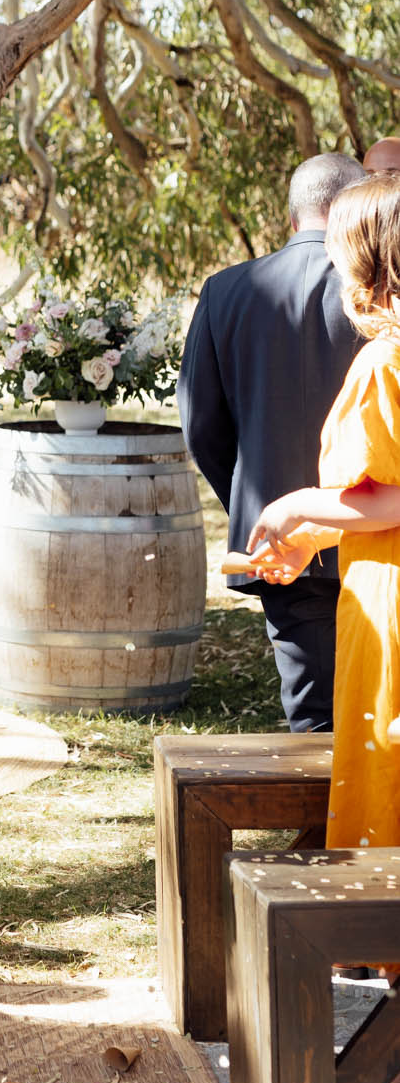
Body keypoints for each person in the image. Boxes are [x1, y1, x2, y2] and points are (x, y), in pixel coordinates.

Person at [248, 174, 400, 958]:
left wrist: (292, 509)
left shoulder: (384, 361)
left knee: (388, 771)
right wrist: (312, 538)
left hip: (391, 606)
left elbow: (390, 501)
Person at [177, 152, 366, 732]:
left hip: (279, 539)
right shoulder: (381, 293)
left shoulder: (226, 291)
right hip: (374, 522)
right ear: (356, 213)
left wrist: (253, 492)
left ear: (292, 218)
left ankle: (320, 824)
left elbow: (200, 424)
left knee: (312, 714)